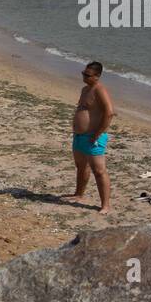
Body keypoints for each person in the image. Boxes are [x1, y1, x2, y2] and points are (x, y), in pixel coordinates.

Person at [61, 61, 114, 214]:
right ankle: (79, 194)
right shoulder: (85, 89)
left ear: (97, 76)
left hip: (93, 137)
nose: (84, 76)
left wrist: (97, 134)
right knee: (81, 166)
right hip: (79, 136)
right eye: (83, 73)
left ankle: (105, 205)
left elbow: (109, 113)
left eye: (87, 75)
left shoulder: (100, 90)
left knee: (99, 171)